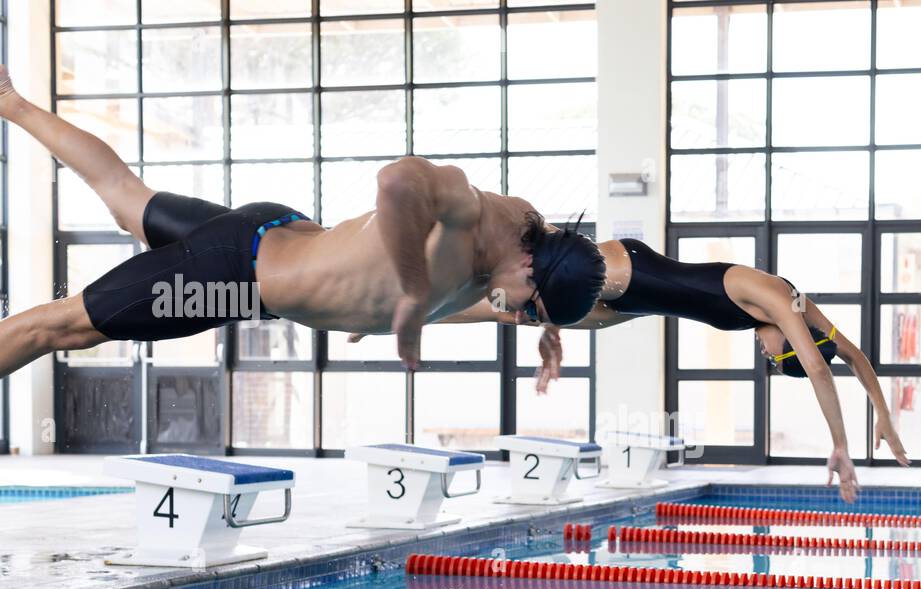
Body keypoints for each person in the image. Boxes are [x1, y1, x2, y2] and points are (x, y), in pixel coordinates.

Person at [0, 66, 605, 381]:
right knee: (57, 329)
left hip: (278, 232)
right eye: (528, 307)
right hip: (236, 275)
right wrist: (413, 290)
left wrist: (547, 326)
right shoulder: (465, 212)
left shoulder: (521, 232)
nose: (515, 312)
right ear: (530, 266)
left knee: (125, 197)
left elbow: (497, 296)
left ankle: (12, 104)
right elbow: (398, 182)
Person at [421, 237, 911, 502]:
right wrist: (842, 446)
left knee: (513, 313)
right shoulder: (779, 301)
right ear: (791, 344)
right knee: (520, 296)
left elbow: (852, 356)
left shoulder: (808, 314)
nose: (767, 358)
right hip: (629, 271)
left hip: (634, 302)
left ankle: (416, 311)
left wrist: (883, 415)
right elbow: (821, 370)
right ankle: (435, 278)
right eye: (779, 359)